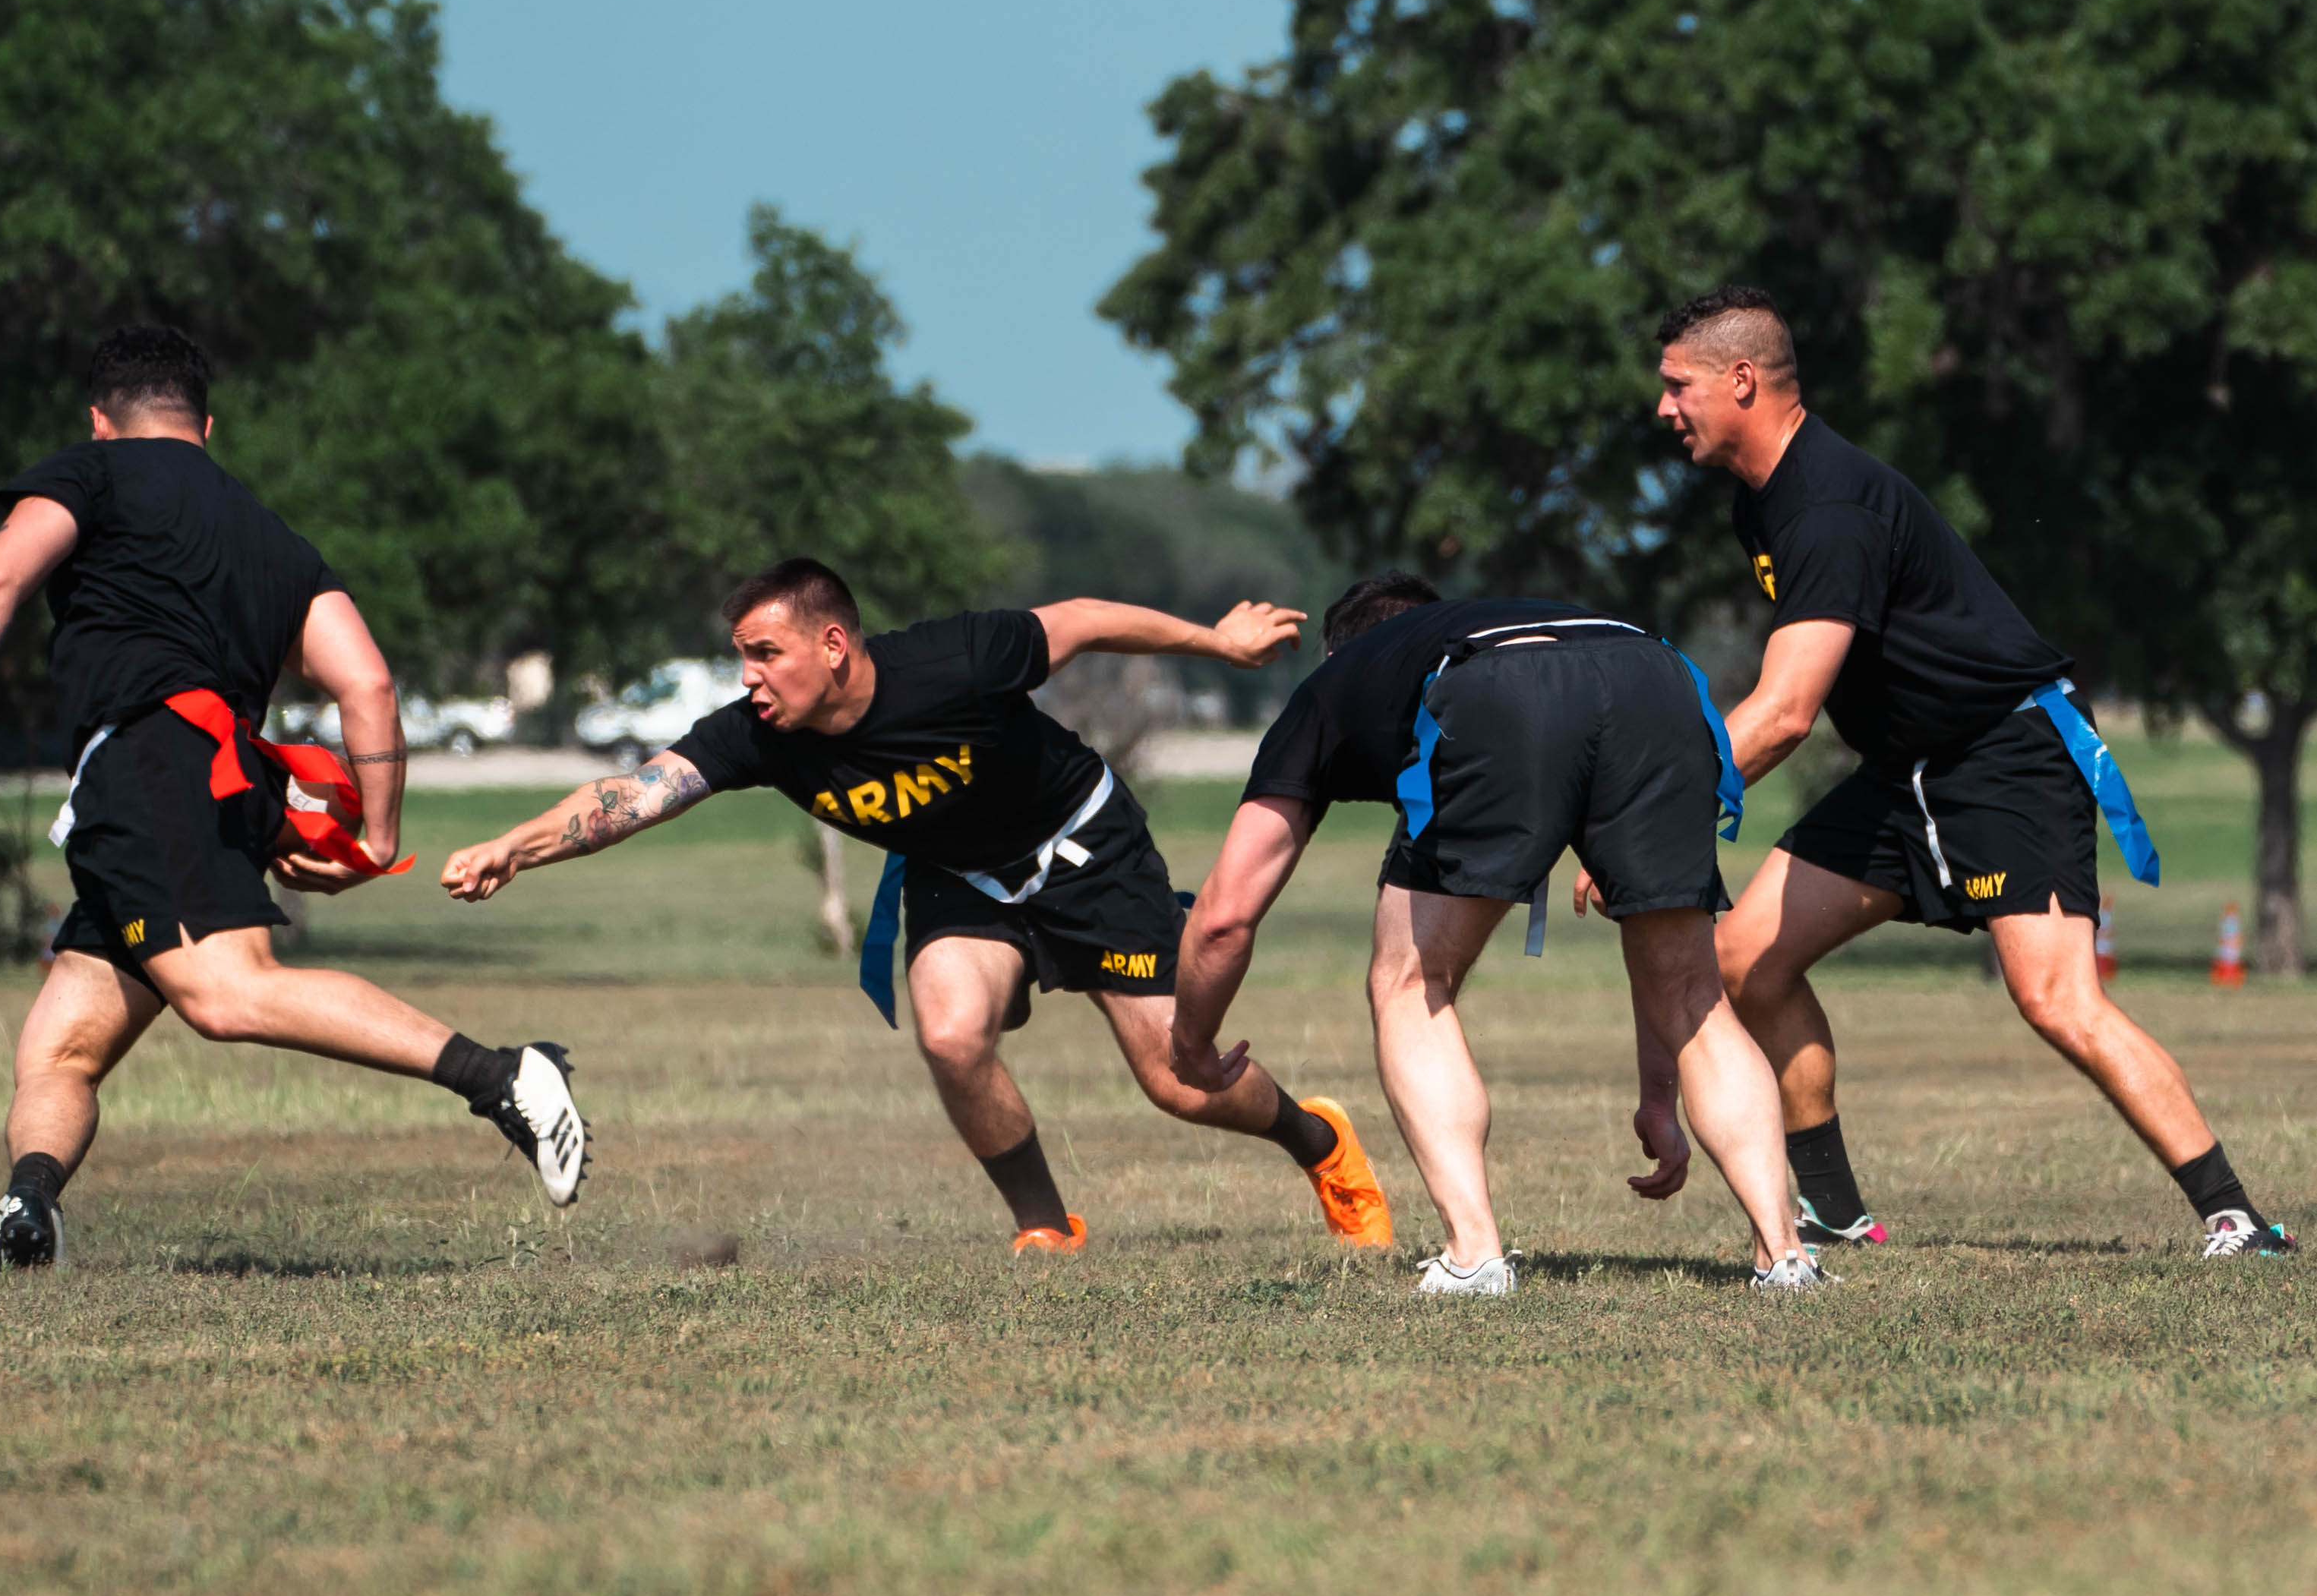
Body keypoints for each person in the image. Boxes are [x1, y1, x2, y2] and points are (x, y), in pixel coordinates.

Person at [0, 326, 587, 1269]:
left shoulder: (92, 475)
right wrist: (374, 839)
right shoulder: (270, 534)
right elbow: (367, 683)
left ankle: (502, 1075)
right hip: (209, 783)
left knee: (227, 996)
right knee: (62, 1046)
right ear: (206, 425)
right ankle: (29, 1207)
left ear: (100, 423)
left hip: (157, 769)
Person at [441, 557, 1394, 1255]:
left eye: (765, 654)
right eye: (742, 657)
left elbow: (1085, 616)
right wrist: (513, 849)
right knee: (950, 1033)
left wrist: (1215, 641)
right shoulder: (758, 738)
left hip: (1086, 852)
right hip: (959, 877)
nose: (749, 679)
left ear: (833, 642)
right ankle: (1047, 1229)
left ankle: (1318, 1140)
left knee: (1177, 1082)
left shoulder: (959, 660)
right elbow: (636, 792)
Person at [1649, 284, 2293, 1257]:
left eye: (1676, 385)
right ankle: (1832, 1207)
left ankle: (2238, 1219)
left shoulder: (1826, 504)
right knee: (1746, 956)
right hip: (1911, 769)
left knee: (2057, 998)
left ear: (1740, 381)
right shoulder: (1764, 502)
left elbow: (1783, 712)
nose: (1663, 408)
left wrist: (1653, 803)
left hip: (2005, 752)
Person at [1170, 572, 1820, 1295]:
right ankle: (1784, 1254)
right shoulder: (1501, 618)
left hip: (1499, 689)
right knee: (1695, 993)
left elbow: (1224, 915)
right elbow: (1664, 972)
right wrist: (1654, 1098)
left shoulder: (1338, 683)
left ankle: (1475, 1253)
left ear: (1339, 653)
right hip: (1657, 675)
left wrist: (1192, 1043)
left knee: (1412, 982)